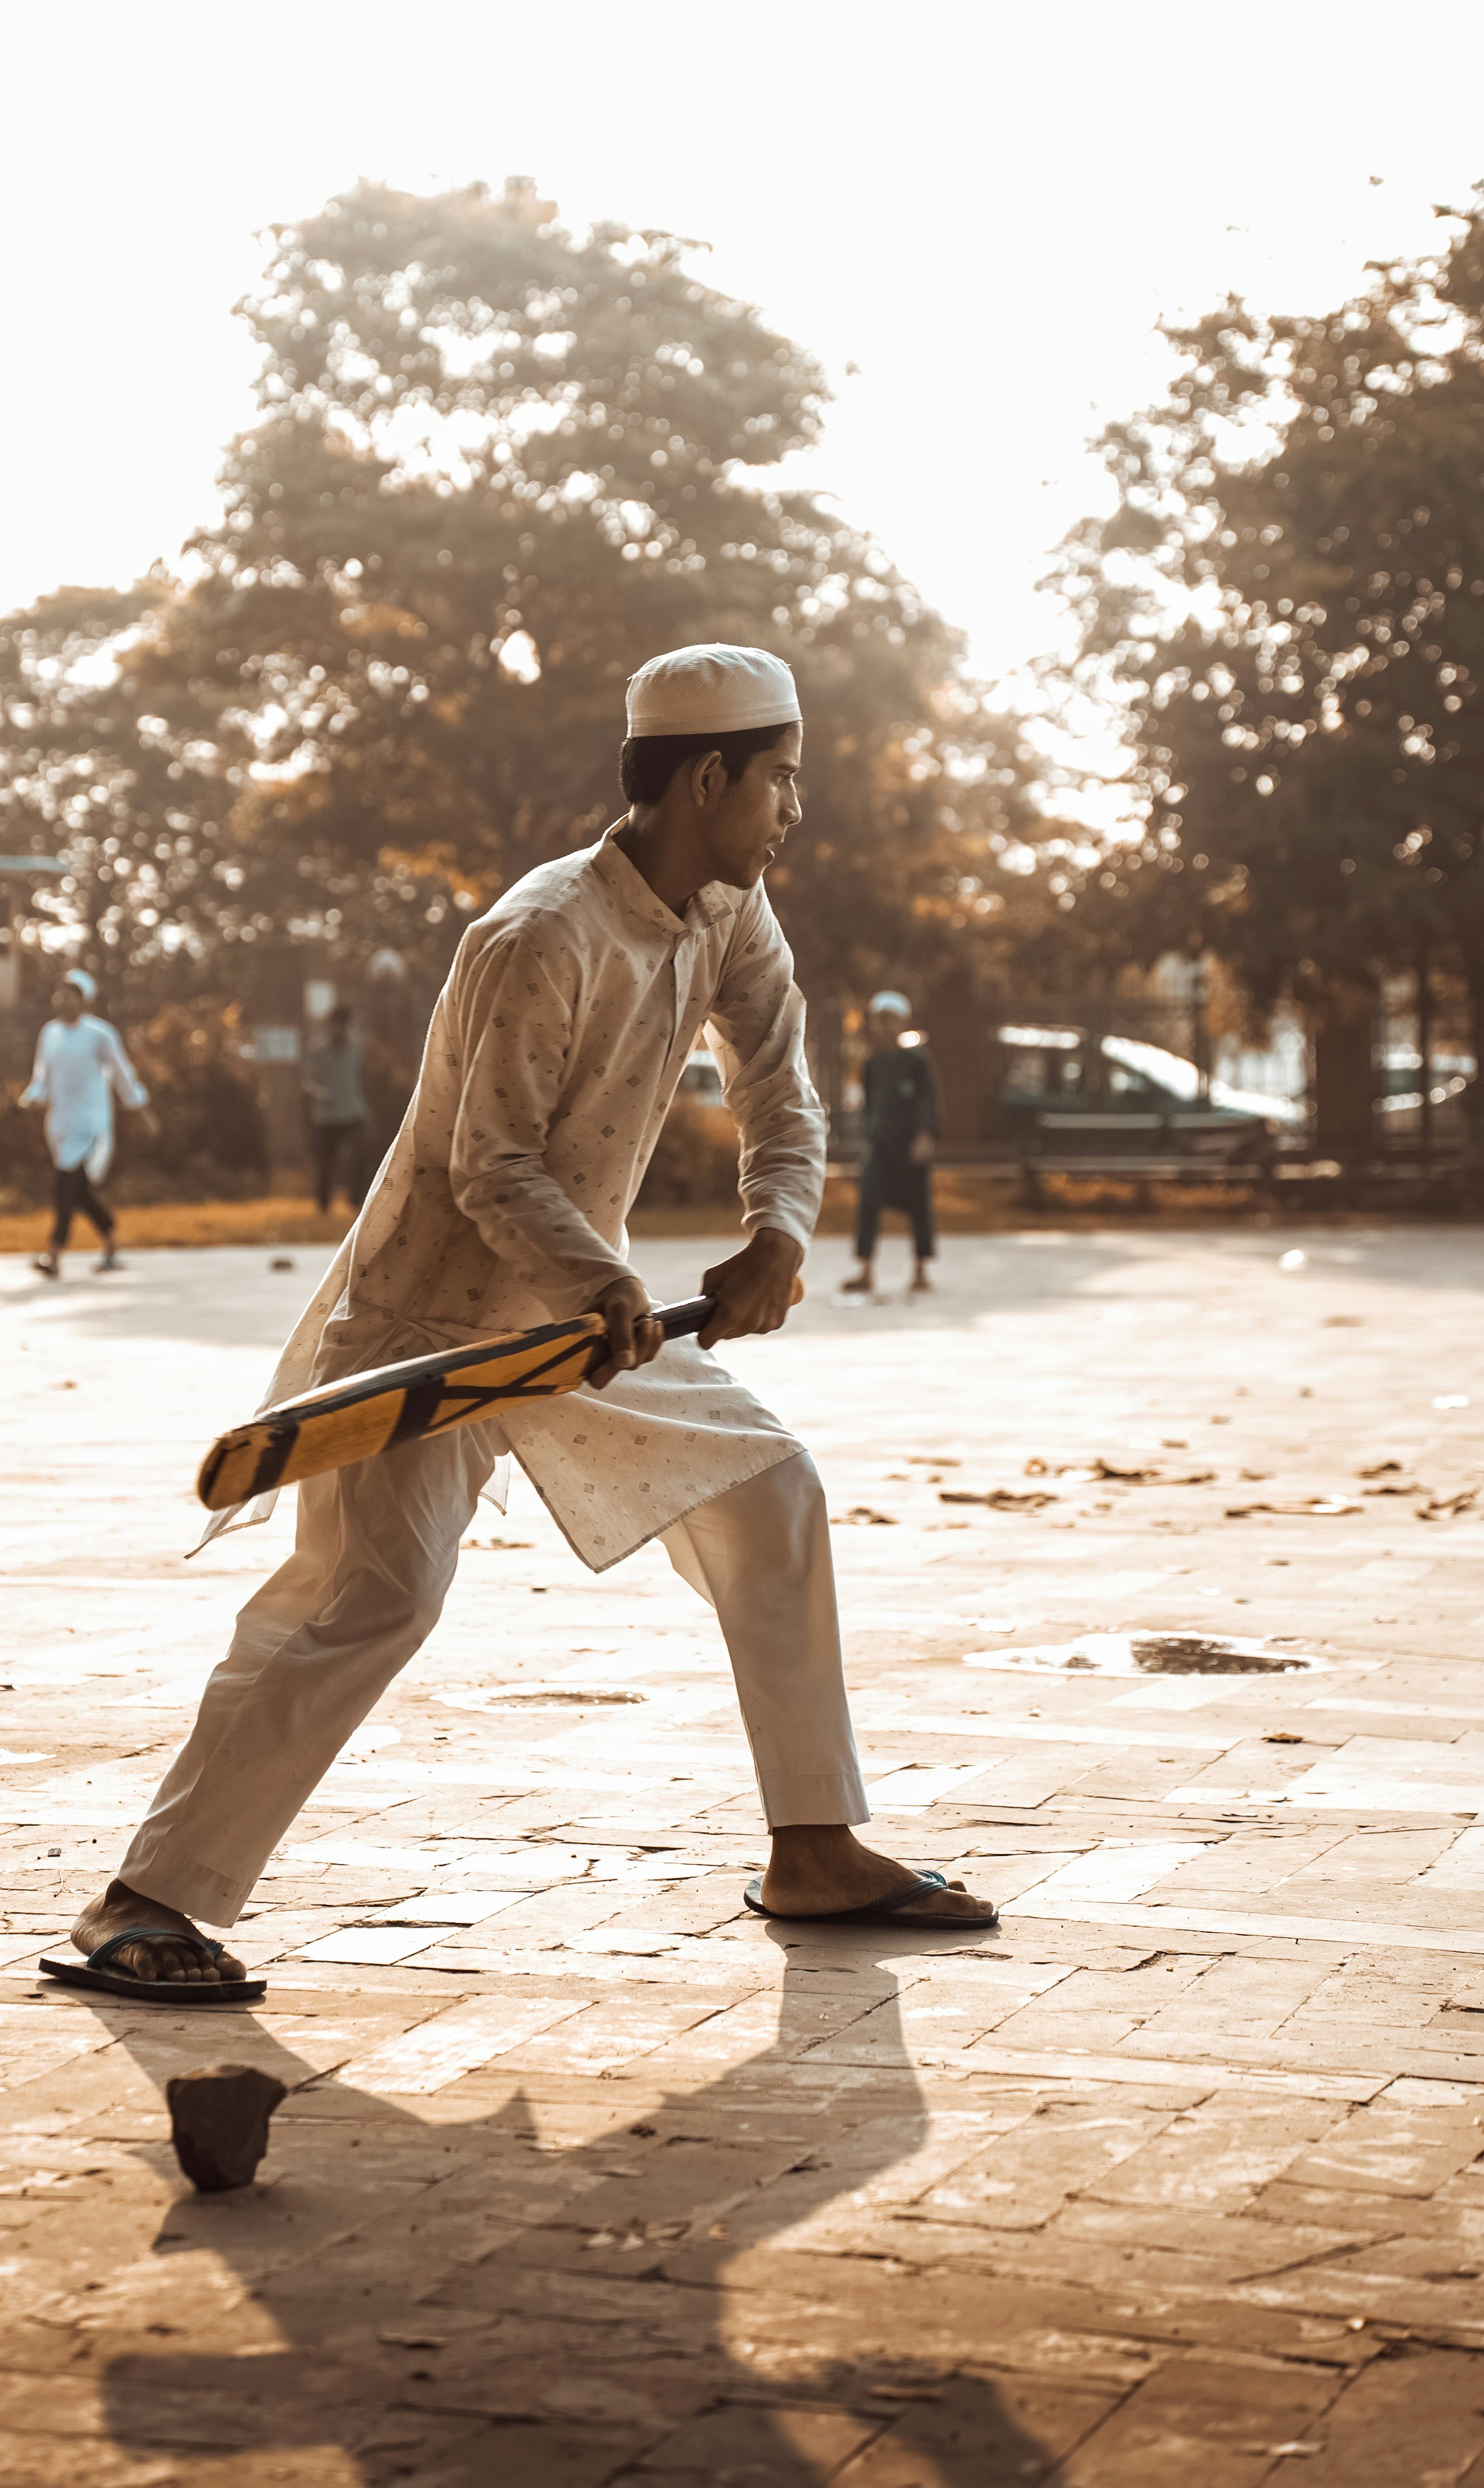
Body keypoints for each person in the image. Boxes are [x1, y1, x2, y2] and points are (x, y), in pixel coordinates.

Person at [62, 641, 995, 1997]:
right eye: (783, 782)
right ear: (710, 776)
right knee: (373, 1598)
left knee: (772, 1491)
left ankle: (813, 1845)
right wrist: (604, 1284)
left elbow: (779, 1081)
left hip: (580, 1326)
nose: (798, 811)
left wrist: (780, 1231)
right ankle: (138, 1903)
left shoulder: (730, 909)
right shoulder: (540, 934)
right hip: (433, 1326)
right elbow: (484, 1164)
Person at [19, 969, 153, 1279]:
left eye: (69, 993)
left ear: (83, 999)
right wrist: (29, 1101)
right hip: (60, 1124)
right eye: (59, 992)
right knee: (79, 1192)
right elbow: (41, 1078)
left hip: (90, 1123)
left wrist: (141, 1110)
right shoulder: (49, 1033)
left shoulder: (100, 1034)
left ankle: (53, 1255)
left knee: (63, 1188)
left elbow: (123, 1074)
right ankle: (112, 1242)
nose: (61, 999)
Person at [842, 990, 941, 1299]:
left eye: (891, 1020)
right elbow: (870, 1107)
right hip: (880, 1147)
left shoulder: (918, 1060)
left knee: (919, 1208)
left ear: (902, 1022)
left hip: (911, 1147)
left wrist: (926, 1135)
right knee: (868, 1204)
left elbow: (930, 1100)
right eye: (880, 1020)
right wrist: (869, 1139)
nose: (885, 1026)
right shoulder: (872, 1064)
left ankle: (921, 1271)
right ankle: (866, 1272)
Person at [302, 1002, 367, 1214]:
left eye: (345, 1025)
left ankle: (356, 1202)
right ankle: (323, 1207)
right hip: (327, 1115)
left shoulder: (357, 1049)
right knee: (326, 1164)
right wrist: (319, 1093)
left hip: (353, 1111)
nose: (341, 1030)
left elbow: (365, 1077)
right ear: (331, 1025)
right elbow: (307, 1081)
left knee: (359, 1157)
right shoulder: (317, 1050)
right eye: (338, 1025)